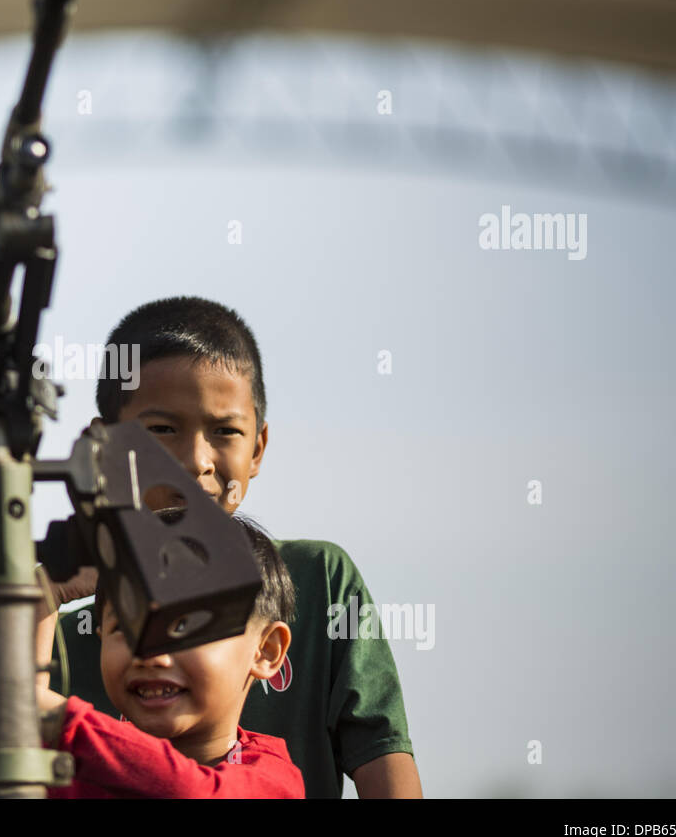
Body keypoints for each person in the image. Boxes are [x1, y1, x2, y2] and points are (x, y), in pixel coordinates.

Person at [52, 296, 423, 798]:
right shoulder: (62, 621)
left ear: (258, 449)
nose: (196, 461)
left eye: (225, 431)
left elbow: (384, 760)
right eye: (161, 430)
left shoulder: (317, 580)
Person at [0, 516, 303, 798]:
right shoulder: (72, 774)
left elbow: (187, 791)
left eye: (184, 627)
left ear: (266, 651)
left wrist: (46, 711)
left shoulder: (270, 779)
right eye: (124, 627)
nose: (149, 652)